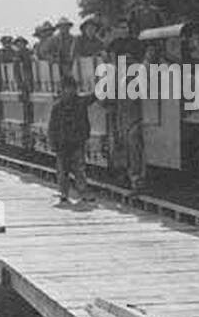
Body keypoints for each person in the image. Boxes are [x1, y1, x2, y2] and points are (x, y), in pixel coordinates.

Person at [106, 17, 145, 190]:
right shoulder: (114, 46)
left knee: (131, 141)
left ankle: (134, 177)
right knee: (119, 139)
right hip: (122, 115)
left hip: (133, 119)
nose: (124, 29)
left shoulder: (136, 45)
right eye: (121, 27)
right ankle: (125, 174)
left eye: (126, 27)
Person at [48, 75, 96, 204]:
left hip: (76, 143)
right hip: (63, 144)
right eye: (67, 89)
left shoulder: (79, 102)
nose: (70, 91)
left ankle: (81, 192)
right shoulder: (57, 107)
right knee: (63, 171)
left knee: (79, 169)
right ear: (63, 89)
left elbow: (93, 97)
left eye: (72, 88)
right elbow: (52, 127)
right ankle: (64, 193)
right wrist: (53, 143)